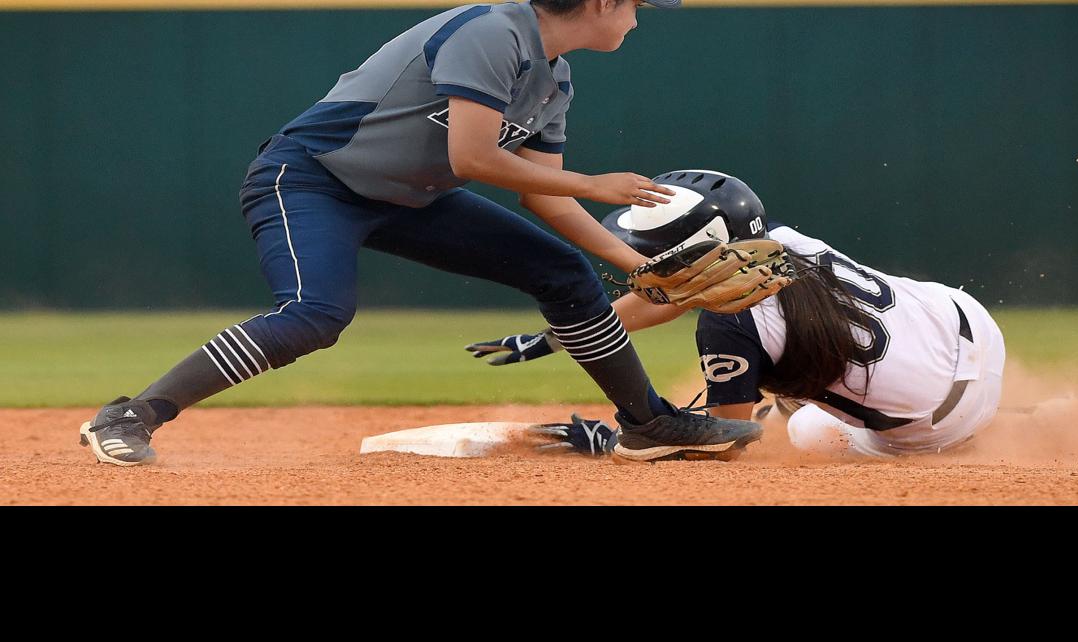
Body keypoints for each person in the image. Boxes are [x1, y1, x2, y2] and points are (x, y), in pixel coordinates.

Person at [78, 0, 763, 466]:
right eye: (637, 5)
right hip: (313, 179)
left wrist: (634, 266)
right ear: (600, 2)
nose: (639, 18)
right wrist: (594, 184)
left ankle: (647, 423)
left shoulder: (553, 76)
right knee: (315, 314)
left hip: (410, 196)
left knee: (562, 272)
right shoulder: (492, 31)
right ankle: (130, 416)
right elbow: (472, 159)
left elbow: (537, 192)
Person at [468, 169, 1007, 458]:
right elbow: (673, 297)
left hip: (933, 427)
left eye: (657, 252)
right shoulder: (778, 241)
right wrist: (553, 339)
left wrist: (611, 442)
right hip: (967, 322)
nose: (646, 261)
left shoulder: (727, 326)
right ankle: (1022, 417)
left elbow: (728, 442)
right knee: (813, 344)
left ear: (699, 251)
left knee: (801, 422)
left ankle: (964, 438)